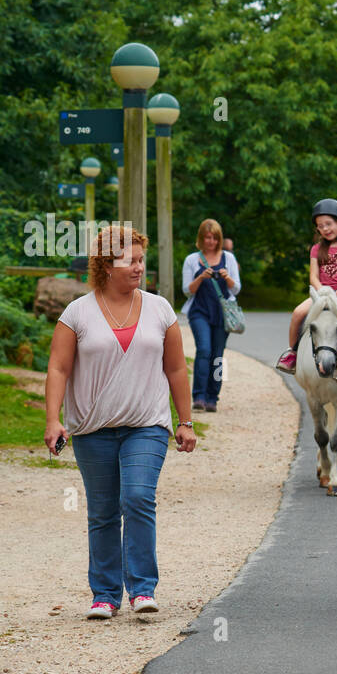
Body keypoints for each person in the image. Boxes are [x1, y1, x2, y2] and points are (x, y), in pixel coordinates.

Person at [43, 224, 197, 619]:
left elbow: (177, 369)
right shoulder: (77, 313)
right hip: (92, 430)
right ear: (107, 265)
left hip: (146, 425)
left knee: (138, 497)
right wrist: (53, 420)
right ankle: (105, 595)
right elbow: (58, 369)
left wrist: (186, 421)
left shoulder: (160, 309)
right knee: (103, 510)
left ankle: (142, 589)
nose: (139, 267)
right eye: (131, 260)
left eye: (142, 260)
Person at [276, 199, 337, 373]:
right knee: (298, 313)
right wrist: (324, 292)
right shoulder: (316, 249)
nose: (325, 229)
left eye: (329, 224)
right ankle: (292, 354)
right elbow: (313, 276)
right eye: (320, 226)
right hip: (323, 295)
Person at [180, 219, 242, 413]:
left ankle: (212, 397)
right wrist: (201, 277)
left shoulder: (228, 258)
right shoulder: (192, 260)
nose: (211, 242)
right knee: (204, 350)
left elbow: (237, 288)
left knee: (218, 356)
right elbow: (187, 290)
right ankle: (198, 395)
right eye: (207, 237)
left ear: (219, 239)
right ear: (201, 238)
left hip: (222, 313)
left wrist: (226, 277)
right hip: (199, 311)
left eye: (215, 238)